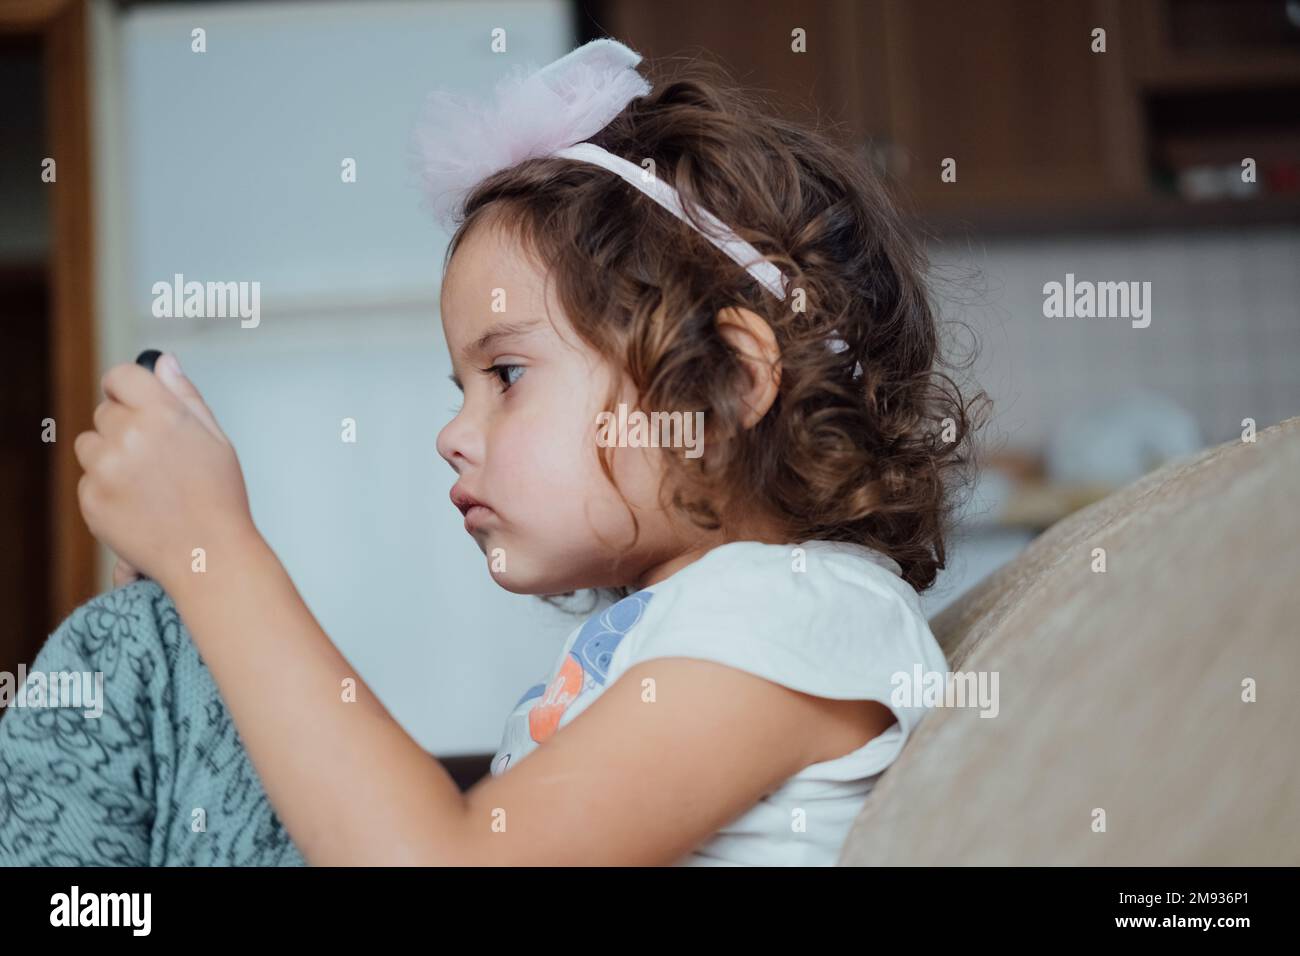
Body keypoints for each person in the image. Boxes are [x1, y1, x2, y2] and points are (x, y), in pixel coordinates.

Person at [0, 38, 986, 866]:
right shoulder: (701, 619)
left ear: (726, 379)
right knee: (152, 654)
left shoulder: (802, 616)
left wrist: (218, 554)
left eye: (506, 374)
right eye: (459, 386)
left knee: (137, 656)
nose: (453, 433)